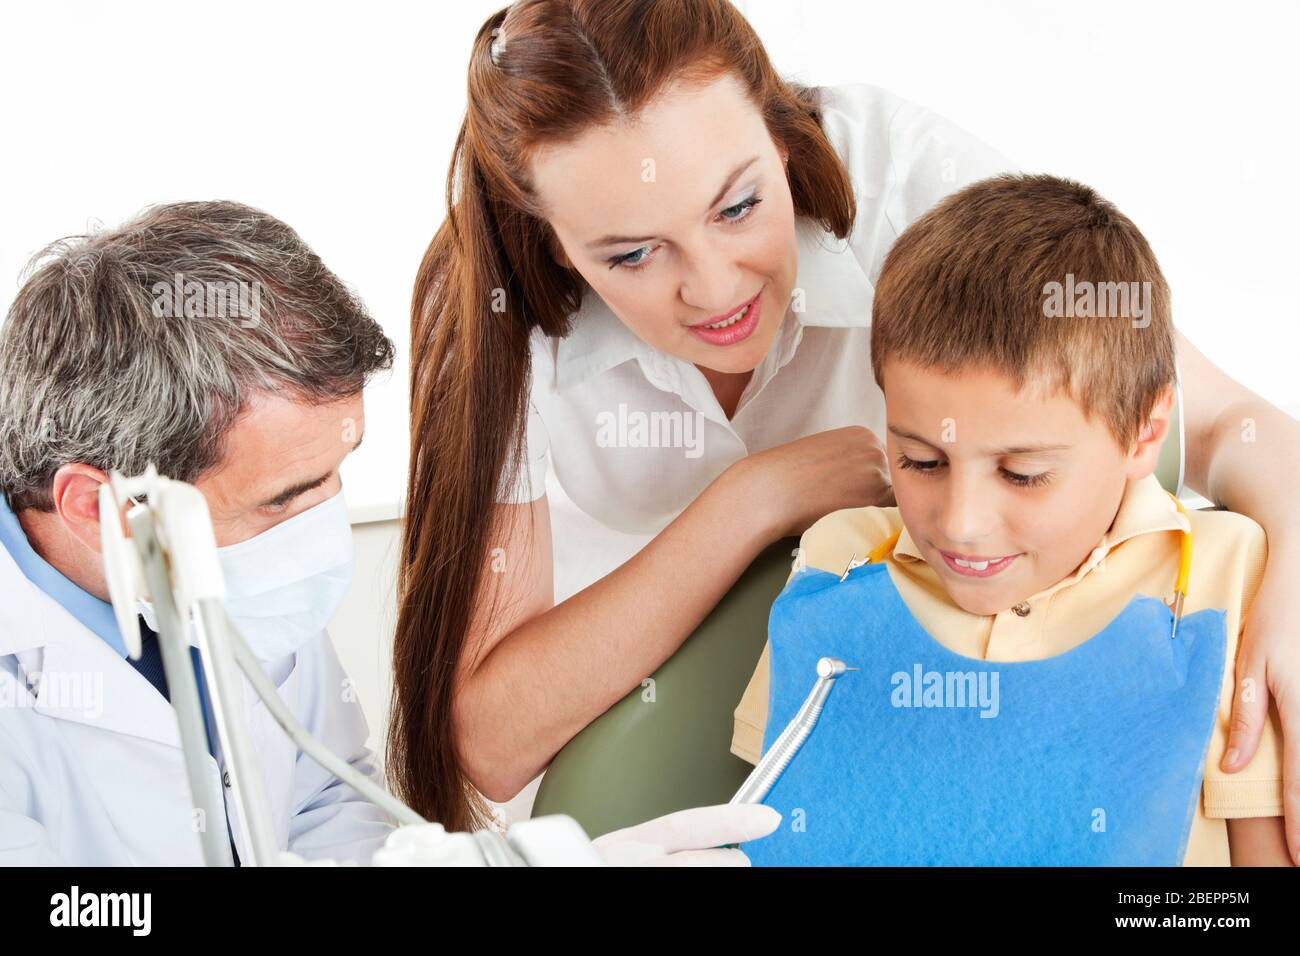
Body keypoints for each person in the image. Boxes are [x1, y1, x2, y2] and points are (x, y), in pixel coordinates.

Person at [395, 0, 1300, 863]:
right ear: (550, 241)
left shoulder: (906, 178)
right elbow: (492, 740)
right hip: (637, 727)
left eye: (739, 206)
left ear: (783, 134)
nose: (714, 289)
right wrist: (755, 499)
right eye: (630, 255)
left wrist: (1293, 587)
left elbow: (1224, 424)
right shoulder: (492, 316)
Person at [0, 200, 778, 866]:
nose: (320, 531)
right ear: (92, 506)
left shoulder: (234, 579)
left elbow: (328, 812)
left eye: (338, 475)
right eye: (282, 500)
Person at [732, 174, 1292, 866]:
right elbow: (760, 829)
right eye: (920, 461)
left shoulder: (1225, 577)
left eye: (1023, 475)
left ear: (1145, 433)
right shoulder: (837, 560)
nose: (961, 524)